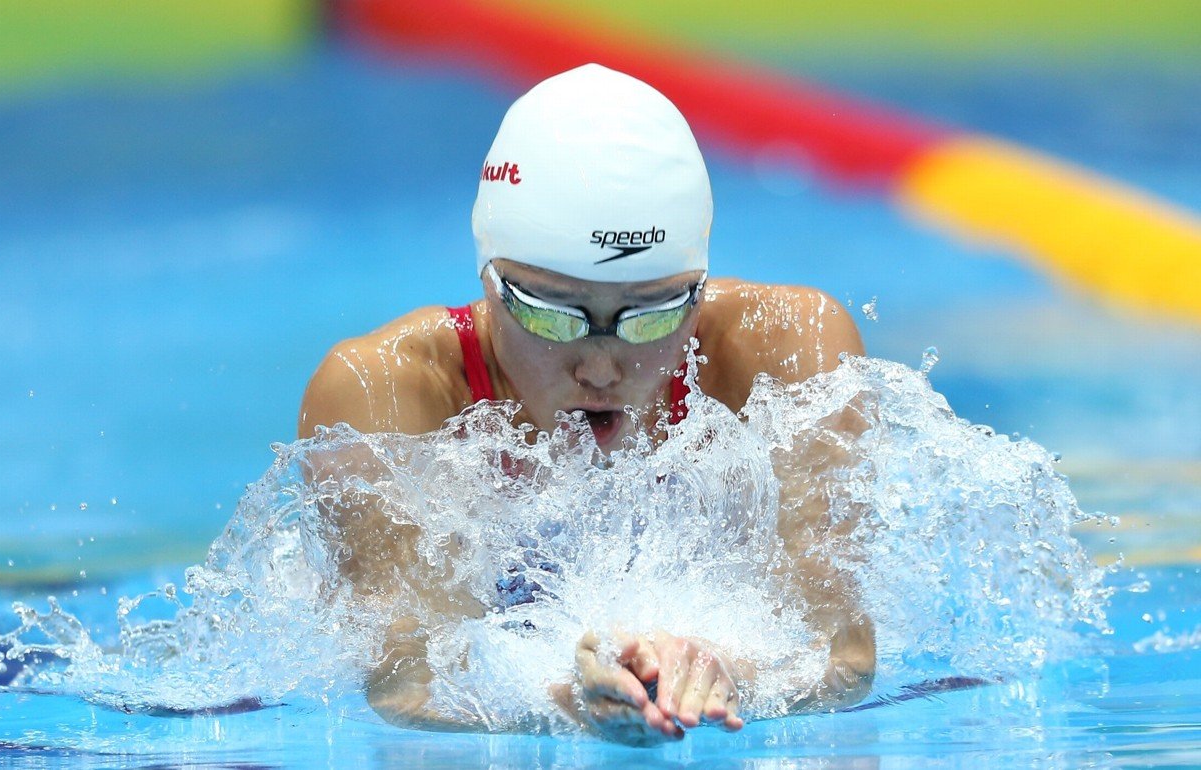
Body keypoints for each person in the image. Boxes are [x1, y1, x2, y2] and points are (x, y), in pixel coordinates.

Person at [298, 63, 874, 746]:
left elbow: (841, 654)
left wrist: (723, 672)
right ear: (489, 280)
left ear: (696, 289)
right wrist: (558, 704)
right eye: (553, 315)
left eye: (652, 315)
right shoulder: (388, 394)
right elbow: (405, 689)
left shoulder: (781, 355)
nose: (601, 366)